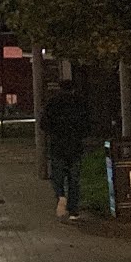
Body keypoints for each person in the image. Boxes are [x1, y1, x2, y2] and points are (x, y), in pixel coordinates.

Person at [41, 79, 91, 222]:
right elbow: (87, 124)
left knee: (57, 177)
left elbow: (44, 124)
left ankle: (61, 196)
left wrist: (53, 133)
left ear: (60, 88)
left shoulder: (53, 103)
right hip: (75, 146)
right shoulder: (80, 103)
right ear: (73, 89)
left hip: (58, 145)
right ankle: (73, 210)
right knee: (74, 179)